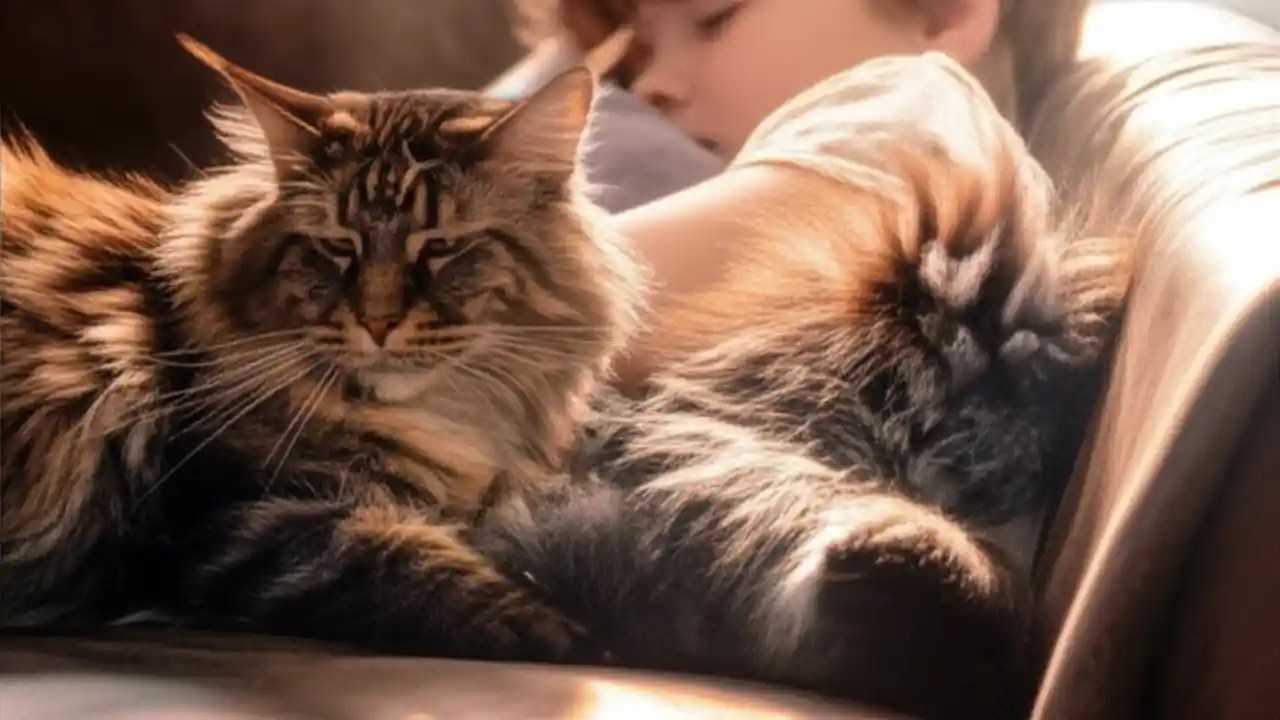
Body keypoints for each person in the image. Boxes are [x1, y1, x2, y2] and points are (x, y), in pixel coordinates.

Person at [507, 0, 1092, 390]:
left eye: (713, 17)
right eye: (644, 54)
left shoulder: (918, 117)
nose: (649, 84)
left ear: (945, 11)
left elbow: (508, 332)